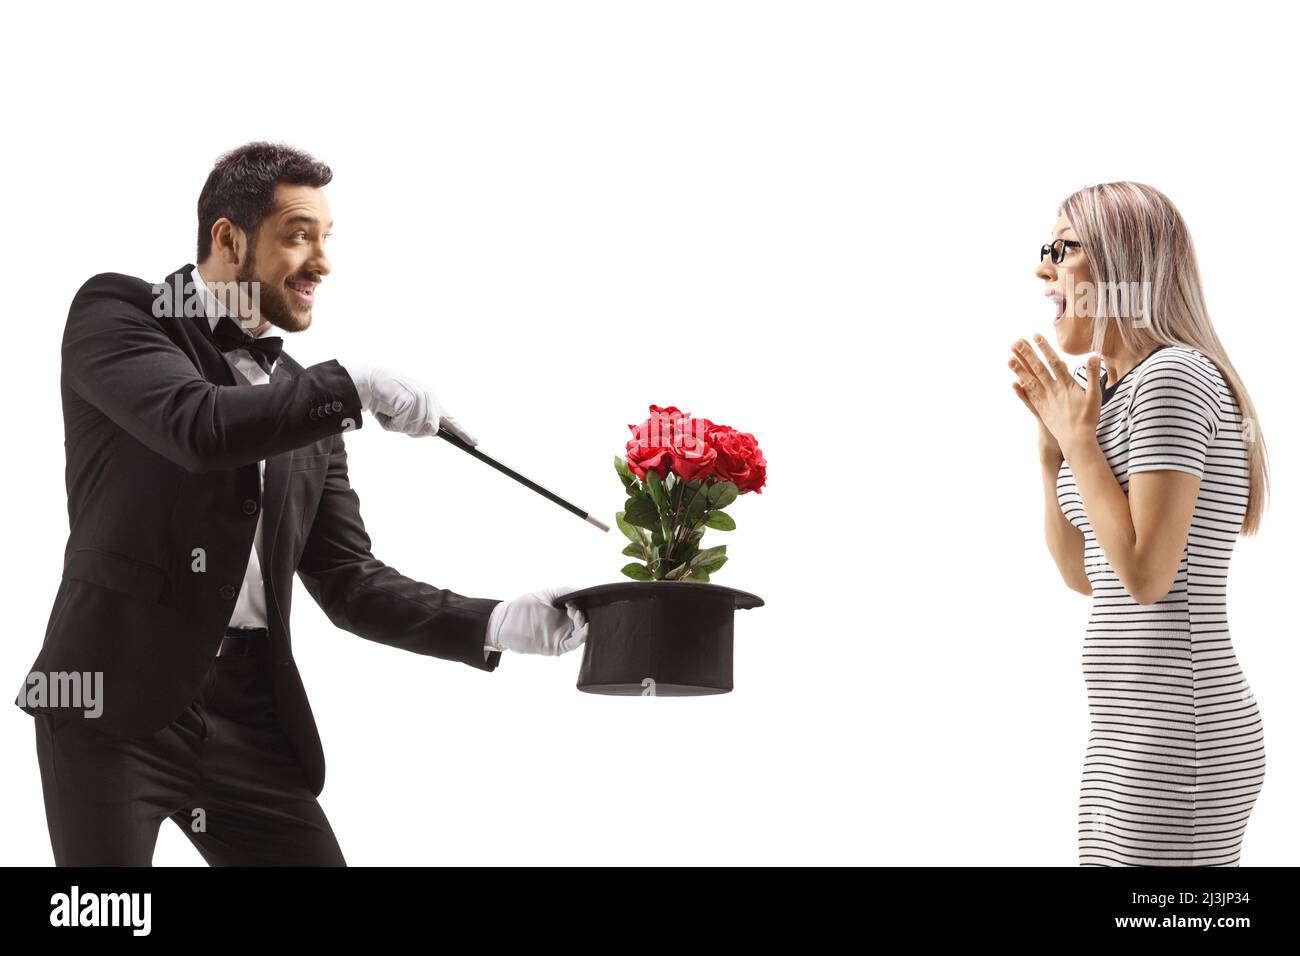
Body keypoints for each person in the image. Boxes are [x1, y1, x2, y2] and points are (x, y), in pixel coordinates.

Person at [15, 141, 588, 866]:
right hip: (108, 703)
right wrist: (354, 386)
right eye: (298, 235)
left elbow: (351, 584)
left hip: (248, 713)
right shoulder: (121, 311)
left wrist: (502, 622)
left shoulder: (303, 406)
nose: (322, 262)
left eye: (325, 238)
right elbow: (198, 426)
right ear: (228, 238)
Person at [1010, 181, 1269, 866]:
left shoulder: (1174, 377)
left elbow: (1148, 577)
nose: (1042, 269)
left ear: (1124, 266)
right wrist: (1053, 454)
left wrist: (1082, 445)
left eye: (1061, 250)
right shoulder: (1118, 394)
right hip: (1124, 734)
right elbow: (1085, 576)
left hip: (1179, 732)